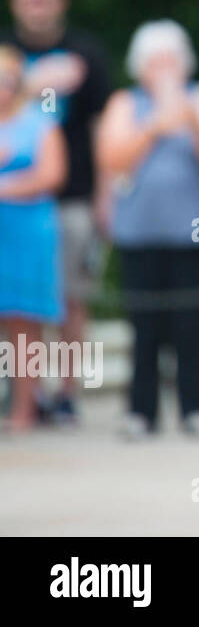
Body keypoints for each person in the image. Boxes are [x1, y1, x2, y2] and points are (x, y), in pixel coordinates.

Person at [96, 19, 199, 439]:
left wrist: (188, 118)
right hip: (139, 234)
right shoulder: (125, 103)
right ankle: (141, 410)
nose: (164, 68)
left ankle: (196, 407)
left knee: (191, 322)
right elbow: (113, 158)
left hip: (192, 235)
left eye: (170, 59)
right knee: (144, 326)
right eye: (155, 61)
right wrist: (155, 123)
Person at [2, 0, 112, 424]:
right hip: (12, 209)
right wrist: (34, 80)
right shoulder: (5, 53)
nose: (38, 5)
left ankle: (65, 394)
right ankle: (21, 393)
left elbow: (101, 125)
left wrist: (107, 194)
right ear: (14, 2)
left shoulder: (86, 52)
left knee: (71, 300)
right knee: (14, 307)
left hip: (73, 198)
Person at [0, 44, 68, 431]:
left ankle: (25, 408)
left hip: (27, 235)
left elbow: (50, 176)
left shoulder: (40, 121)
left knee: (24, 325)